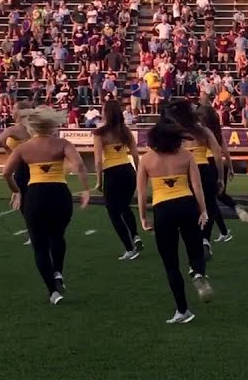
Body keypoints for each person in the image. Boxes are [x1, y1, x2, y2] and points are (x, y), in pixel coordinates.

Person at [3, 106, 92, 305]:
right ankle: (58, 271)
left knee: (39, 245)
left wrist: (17, 191)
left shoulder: (23, 148)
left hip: (35, 195)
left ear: (32, 126)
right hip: (59, 194)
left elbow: (6, 173)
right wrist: (86, 190)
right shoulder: (62, 143)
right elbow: (79, 165)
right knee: (58, 236)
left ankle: (53, 292)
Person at [137, 119, 212, 324]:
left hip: (163, 210)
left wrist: (143, 217)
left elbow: (142, 193)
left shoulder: (146, 160)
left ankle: (183, 310)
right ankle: (197, 273)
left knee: (171, 264)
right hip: (187, 205)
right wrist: (203, 210)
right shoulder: (186, 156)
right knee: (195, 249)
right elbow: (197, 187)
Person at [160, 99, 224, 262]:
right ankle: (205, 239)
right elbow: (217, 155)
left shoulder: (177, 133)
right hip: (204, 169)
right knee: (209, 206)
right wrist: (220, 177)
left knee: (191, 209)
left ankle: (195, 243)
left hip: (185, 173)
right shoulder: (203, 131)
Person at [94, 98, 143, 260]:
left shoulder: (100, 133)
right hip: (128, 171)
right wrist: (139, 175)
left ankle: (130, 249)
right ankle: (135, 236)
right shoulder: (125, 131)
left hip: (112, 173)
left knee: (113, 212)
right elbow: (135, 156)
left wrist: (99, 181)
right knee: (124, 207)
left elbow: (98, 160)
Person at [198, 103, 248, 228]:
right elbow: (225, 151)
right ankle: (232, 212)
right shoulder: (217, 131)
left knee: (208, 199)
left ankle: (207, 235)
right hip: (221, 164)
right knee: (219, 195)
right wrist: (230, 167)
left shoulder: (203, 132)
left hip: (206, 162)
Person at [0, 100, 33, 244]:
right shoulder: (34, 127)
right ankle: (40, 232)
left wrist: (9, 151)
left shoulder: (14, 129)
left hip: (21, 168)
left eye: (14, 109)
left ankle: (34, 233)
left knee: (24, 203)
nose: (12, 111)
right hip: (35, 165)